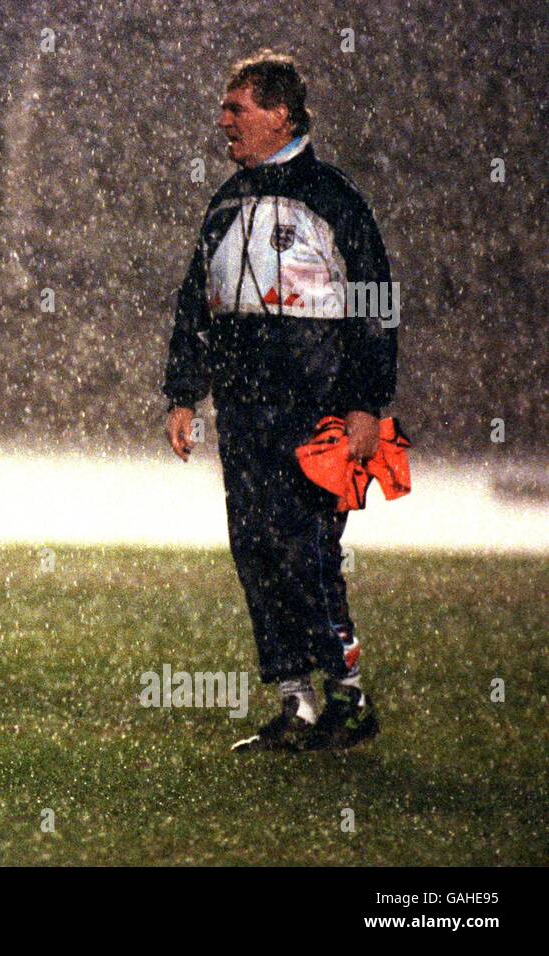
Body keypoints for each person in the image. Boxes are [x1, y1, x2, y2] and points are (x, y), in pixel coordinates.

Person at [161, 52, 396, 751]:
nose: (224, 120)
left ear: (281, 114)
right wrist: (183, 393)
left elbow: (377, 302)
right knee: (256, 549)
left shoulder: (334, 196)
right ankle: (295, 704)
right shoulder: (226, 200)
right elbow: (193, 302)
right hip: (241, 407)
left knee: (309, 552)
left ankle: (348, 699)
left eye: (237, 108)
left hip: (312, 407)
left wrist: (367, 403)